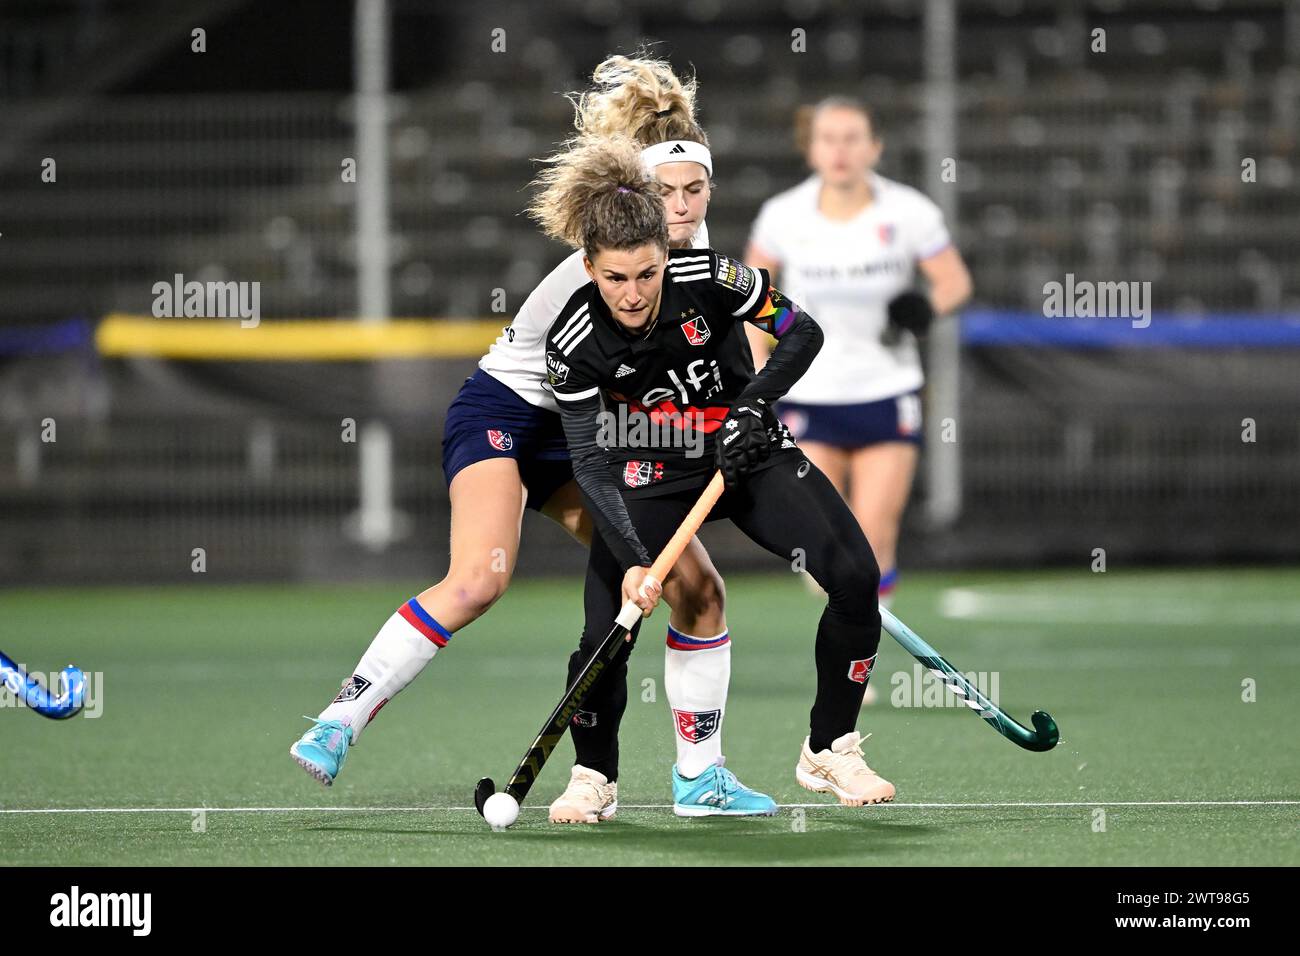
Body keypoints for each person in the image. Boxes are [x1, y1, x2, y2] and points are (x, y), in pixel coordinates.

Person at [288, 55, 753, 812]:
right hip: (508, 415)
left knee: (696, 586)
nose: (681, 206)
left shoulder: (694, 258)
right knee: (479, 579)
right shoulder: (616, 255)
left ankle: (700, 777)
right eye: (664, 192)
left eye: (693, 191)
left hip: (594, 433)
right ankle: (343, 716)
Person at [534, 135, 896, 824]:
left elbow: (802, 331)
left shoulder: (711, 277)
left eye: (647, 274)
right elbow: (587, 461)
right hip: (645, 469)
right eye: (615, 279)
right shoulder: (574, 344)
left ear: (665, 257)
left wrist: (753, 405)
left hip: (746, 447)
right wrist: (639, 562)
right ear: (589, 268)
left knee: (853, 577)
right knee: (609, 624)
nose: (634, 295)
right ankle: (592, 776)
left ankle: (830, 746)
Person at [745, 97, 972, 610]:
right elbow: (750, 297)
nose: (841, 151)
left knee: (872, 535)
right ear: (811, 149)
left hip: (884, 389)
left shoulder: (908, 211)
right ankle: (847, 627)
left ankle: (859, 661)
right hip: (809, 394)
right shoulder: (783, 216)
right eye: (828, 139)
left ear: (875, 147)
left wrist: (925, 307)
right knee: (819, 538)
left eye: (852, 139)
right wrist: (760, 376)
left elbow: (954, 282)